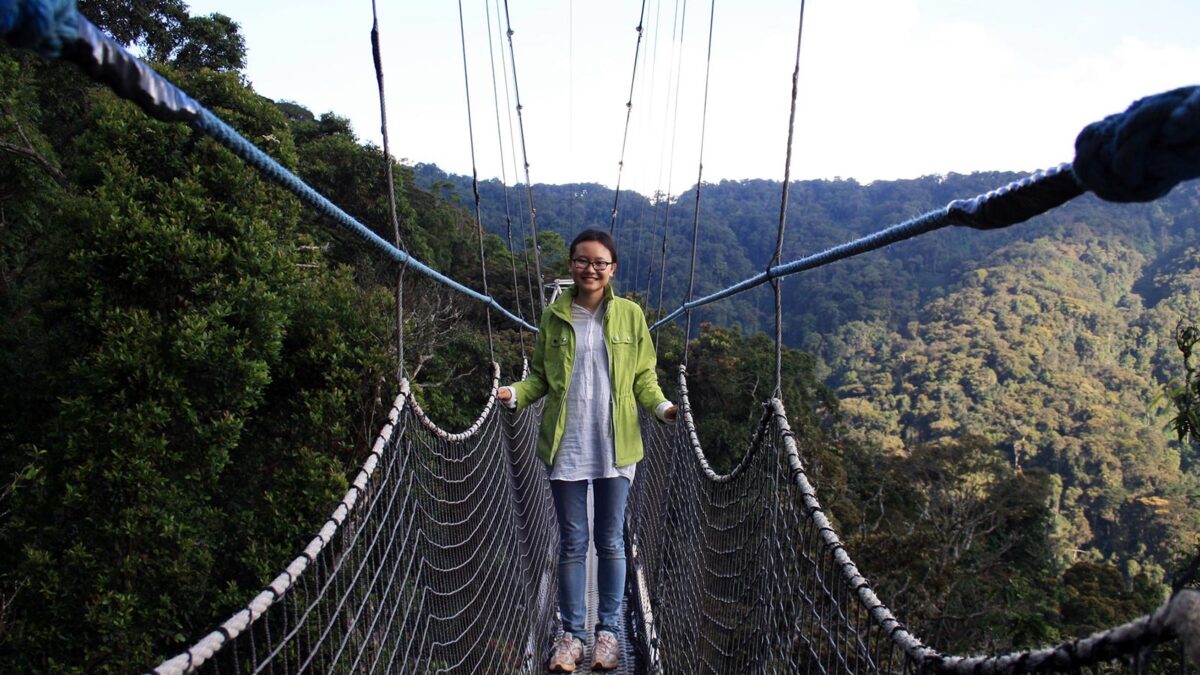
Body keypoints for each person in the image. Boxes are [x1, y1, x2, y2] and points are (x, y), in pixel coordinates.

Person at [497, 229, 677, 672]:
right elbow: (539, 377)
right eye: (582, 261)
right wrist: (515, 393)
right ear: (571, 265)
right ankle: (572, 637)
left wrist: (662, 406)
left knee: (611, 541)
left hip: (617, 445)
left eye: (600, 262)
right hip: (567, 443)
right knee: (574, 543)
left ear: (612, 268)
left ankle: (608, 634)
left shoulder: (631, 316)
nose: (590, 269)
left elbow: (644, 377)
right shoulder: (554, 317)